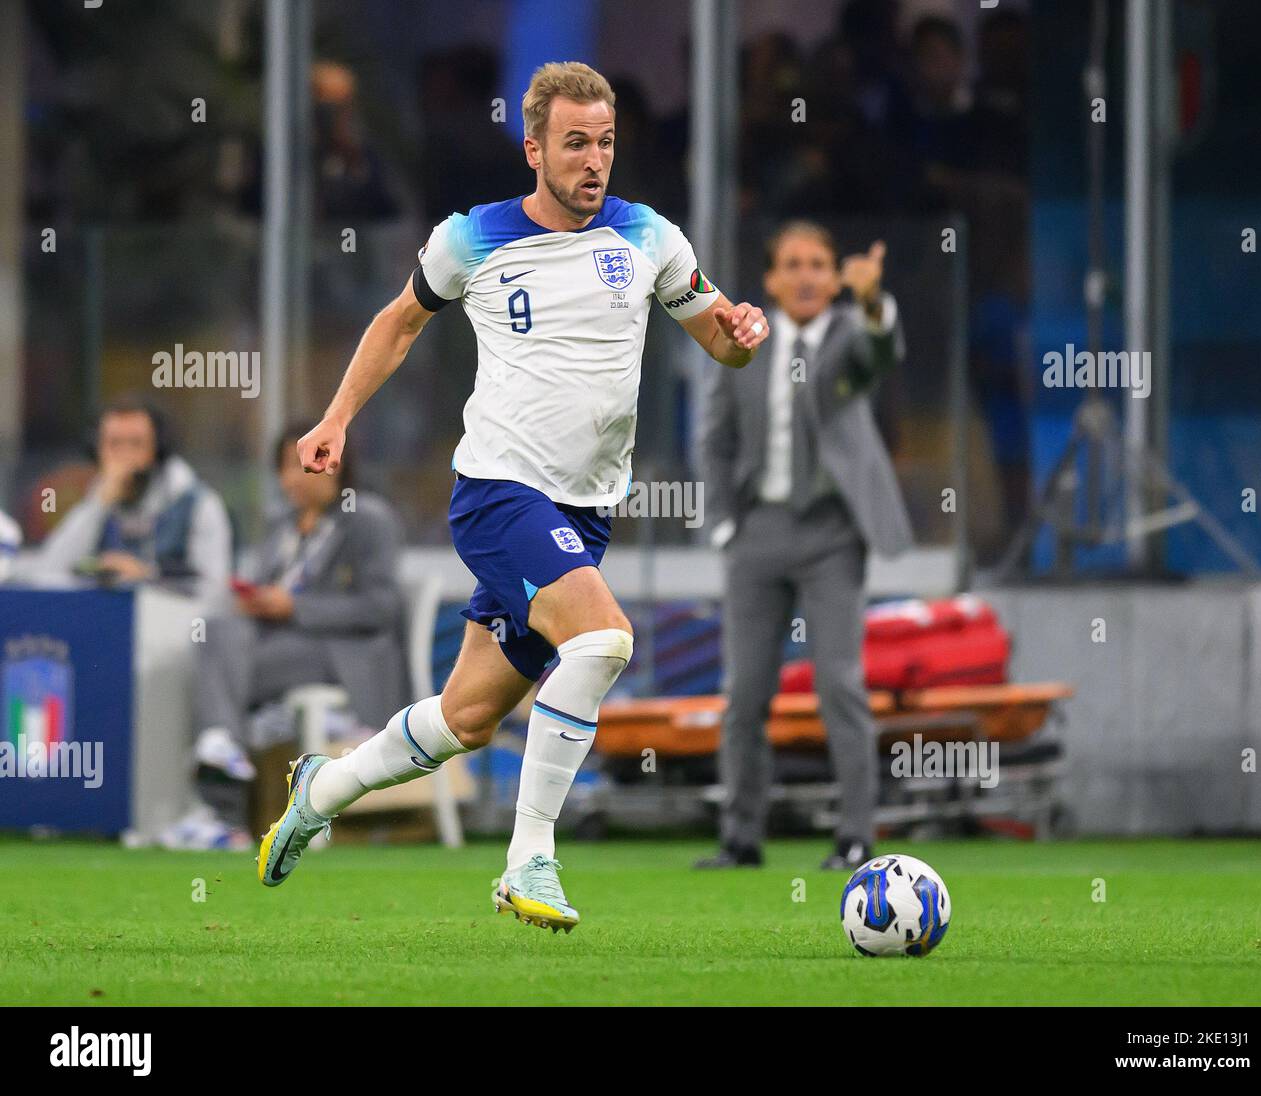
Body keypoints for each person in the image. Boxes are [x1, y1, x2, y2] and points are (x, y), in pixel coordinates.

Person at [257, 62, 770, 933]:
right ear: (533, 148)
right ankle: (530, 858)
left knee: (463, 717)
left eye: (605, 143)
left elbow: (721, 341)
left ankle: (323, 785)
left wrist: (744, 335)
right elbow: (399, 323)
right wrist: (338, 419)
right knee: (605, 639)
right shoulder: (473, 239)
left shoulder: (650, 237)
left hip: (584, 512)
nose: (593, 160)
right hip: (499, 492)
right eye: (575, 143)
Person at [697, 220, 912, 871]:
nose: (807, 275)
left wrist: (874, 300)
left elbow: (883, 350)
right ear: (770, 280)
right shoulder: (746, 343)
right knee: (747, 693)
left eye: (819, 263)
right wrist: (725, 523)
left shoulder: (850, 335)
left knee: (839, 685)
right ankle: (742, 838)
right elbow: (714, 438)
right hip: (758, 531)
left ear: (835, 277)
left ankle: (854, 838)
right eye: (792, 264)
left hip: (831, 534)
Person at [165, 423, 407, 850]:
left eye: (303, 467)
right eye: (285, 468)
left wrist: (294, 607)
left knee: (217, 671)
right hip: (276, 648)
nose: (291, 479)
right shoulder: (281, 526)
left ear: (334, 463)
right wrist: (258, 601)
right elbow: (263, 588)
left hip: (344, 655)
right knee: (220, 634)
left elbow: (380, 608)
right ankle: (223, 754)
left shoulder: (367, 518)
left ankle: (222, 799)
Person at [32, 395, 231, 614]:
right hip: (106, 629)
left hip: (173, 636)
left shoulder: (198, 505)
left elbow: (214, 593)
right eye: (114, 444)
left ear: (158, 449)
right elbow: (49, 574)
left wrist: (148, 576)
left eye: (136, 444)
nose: (124, 456)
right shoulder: (96, 502)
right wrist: (98, 504)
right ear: (97, 449)